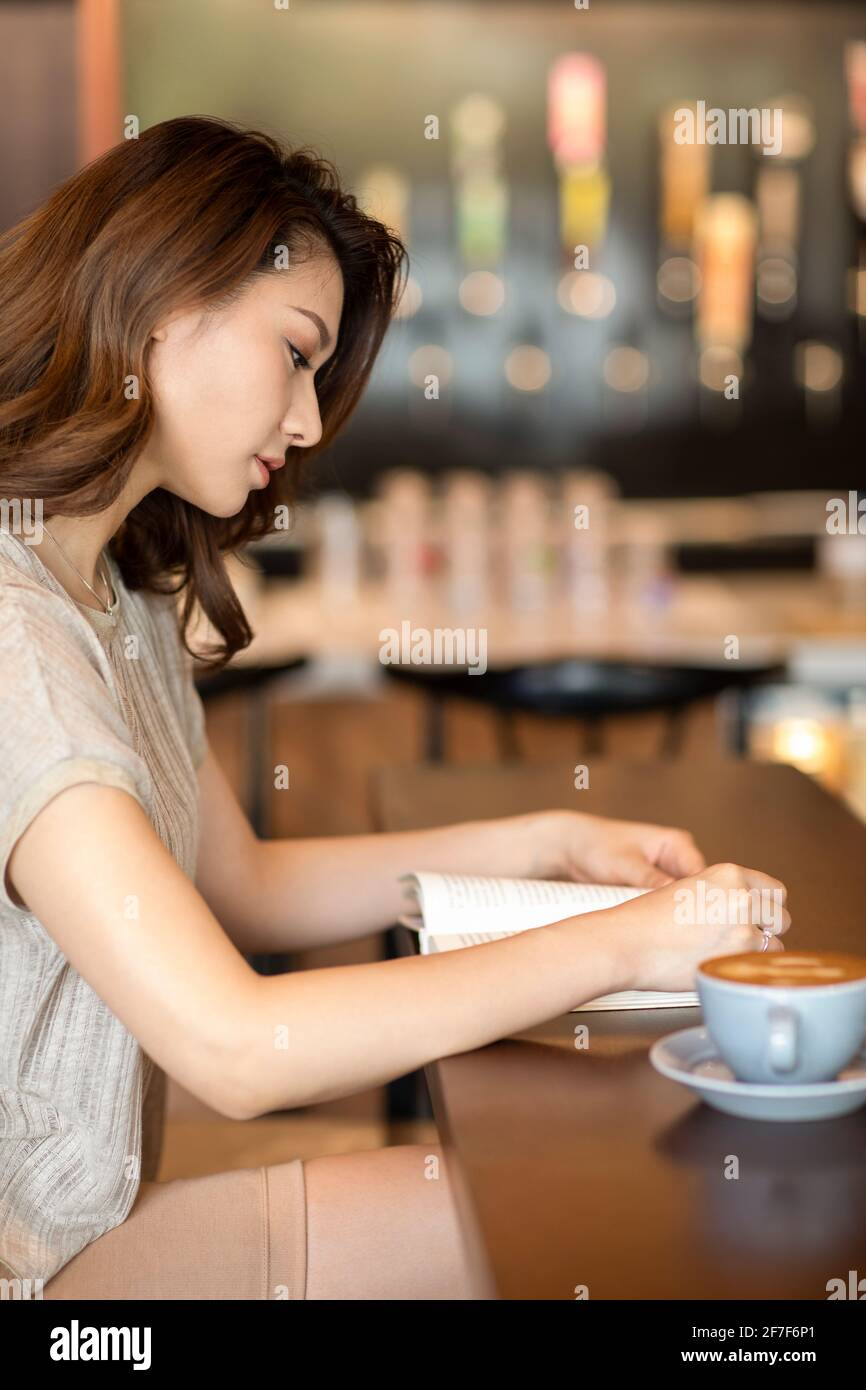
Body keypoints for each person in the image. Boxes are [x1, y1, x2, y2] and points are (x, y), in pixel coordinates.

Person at [0, 116, 789, 1301]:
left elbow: (249, 884)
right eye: (297, 352)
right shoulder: (18, 638)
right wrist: (631, 942)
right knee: (565, 1221)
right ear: (164, 300)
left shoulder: (114, 592)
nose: (310, 423)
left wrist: (548, 845)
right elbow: (237, 1046)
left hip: (86, 1231)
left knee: (554, 1206)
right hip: (46, 1273)